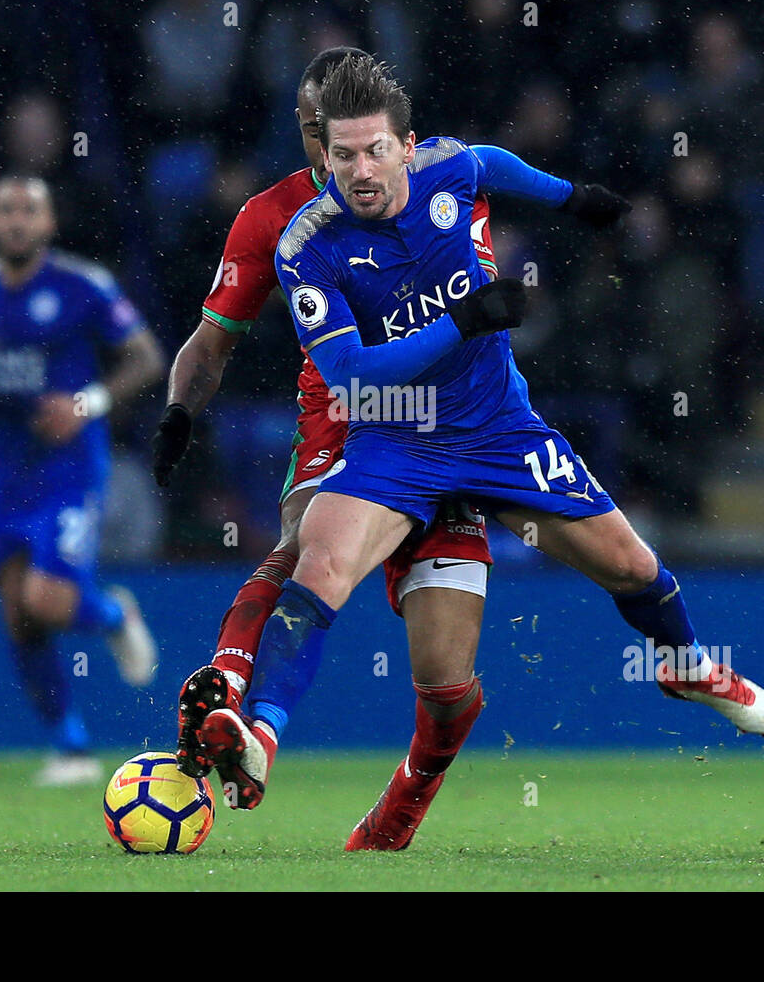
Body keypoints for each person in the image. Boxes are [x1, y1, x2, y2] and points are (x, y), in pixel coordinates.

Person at [193, 55, 764, 831]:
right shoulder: (310, 242)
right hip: (396, 438)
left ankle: (688, 666)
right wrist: (464, 320)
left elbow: (493, 164)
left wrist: (573, 197)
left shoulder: (448, 168)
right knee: (322, 559)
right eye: (343, 156)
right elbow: (349, 373)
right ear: (326, 156)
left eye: (375, 150)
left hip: (497, 429)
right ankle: (262, 732)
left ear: (408, 146)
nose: (360, 170)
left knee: (634, 566)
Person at [153, 47, 503, 850]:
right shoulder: (273, 218)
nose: (332, 149)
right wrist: (177, 414)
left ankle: (401, 808)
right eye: (318, 133)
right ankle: (232, 692)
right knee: (306, 539)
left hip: (444, 423)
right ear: (306, 130)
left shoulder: (443, 180)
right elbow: (211, 343)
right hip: (347, 412)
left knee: (448, 683)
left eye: (349, 135)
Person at [0, 176, 164, 785]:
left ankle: (112, 616)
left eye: (30, 210)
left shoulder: (83, 286)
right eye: (6, 210)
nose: (18, 220)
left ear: (50, 224)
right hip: (5, 465)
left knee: (46, 598)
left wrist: (89, 402)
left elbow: (148, 358)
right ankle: (72, 748)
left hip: (71, 464)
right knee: (17, 614)